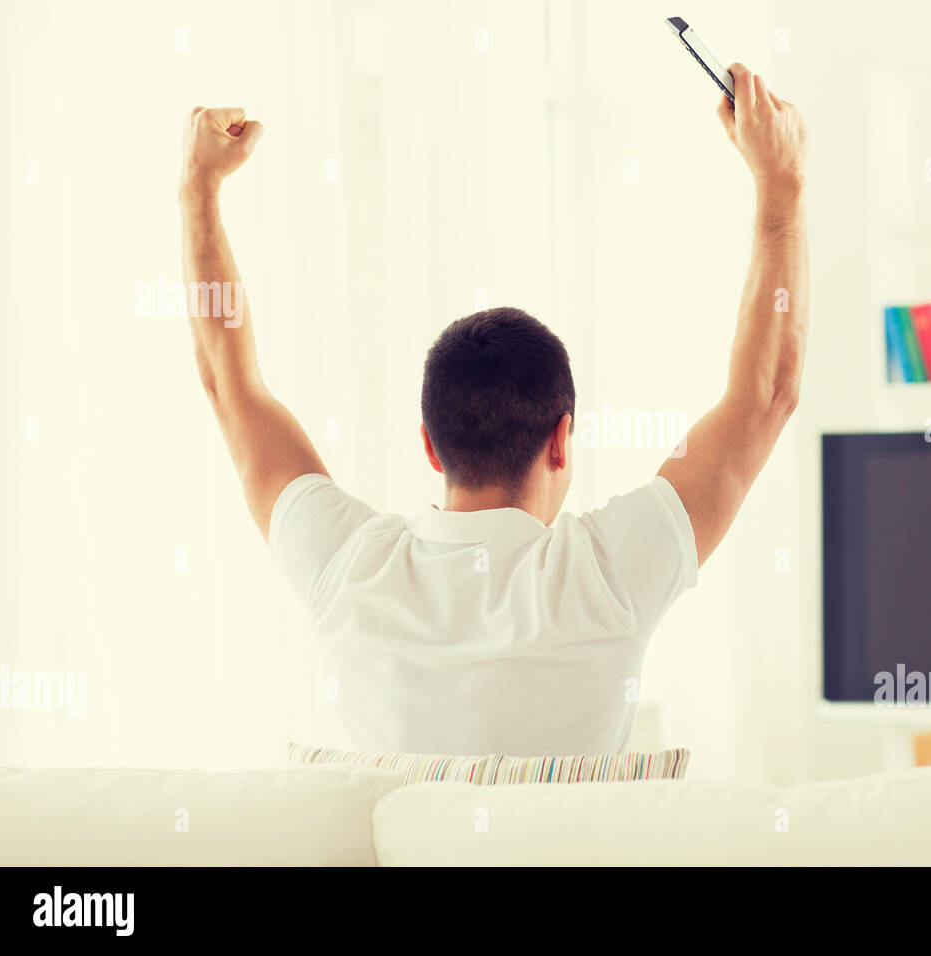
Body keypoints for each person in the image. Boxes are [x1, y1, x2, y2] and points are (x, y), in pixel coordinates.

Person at [179, 63, 808, 755]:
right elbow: (766, 397)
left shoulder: (348, 567)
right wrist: (780, 187)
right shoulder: (607, 575)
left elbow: (227, 382)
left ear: (429, 444)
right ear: (561, 439)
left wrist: (198, 190)